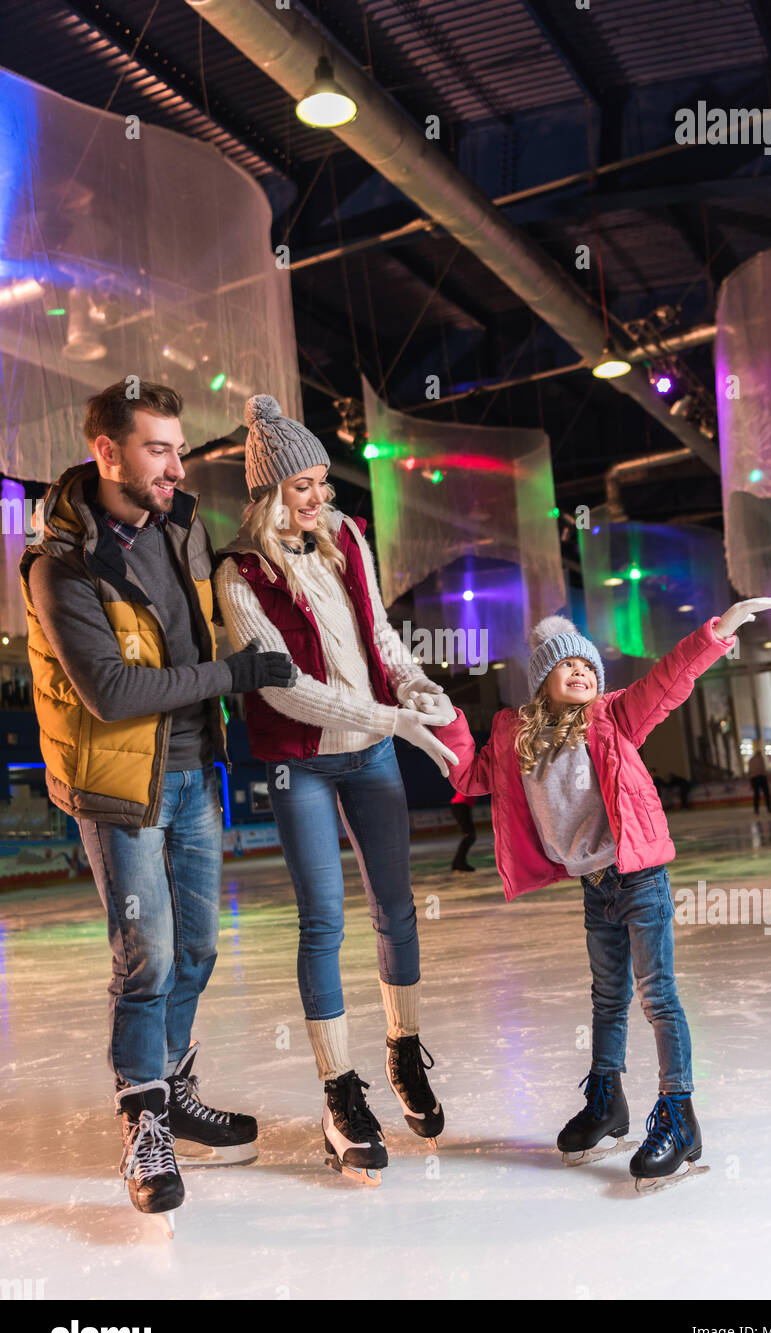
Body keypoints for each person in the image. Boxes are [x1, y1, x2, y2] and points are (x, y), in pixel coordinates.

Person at [20, 380, 296, 1231]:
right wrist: (235, 678)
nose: (178, 466)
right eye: (158, 450)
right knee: (146, 958)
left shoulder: (183, 526)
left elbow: (199, 630)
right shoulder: (58, 565)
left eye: (179, 449)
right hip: (118, 787)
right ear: (105, 450)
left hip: (190, 770)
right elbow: (109, 688)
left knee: (201, 947)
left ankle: (172, 1086)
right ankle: (144, 1122)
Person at [434, 597, 771, 1192]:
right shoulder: (518, 736)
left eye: (589, 667)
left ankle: (679, 1115)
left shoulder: (615, 718)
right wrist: (443, 715)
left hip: (639, 878)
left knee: (658, 997)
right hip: (595, 887)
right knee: (607, 999)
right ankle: (608, 1102)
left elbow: (668, 681)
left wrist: (716, 633)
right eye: (568, 666)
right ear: (543, 678)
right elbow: (467, 775)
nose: (582, 673)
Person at [215, 395, 458, 1186]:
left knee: (395, 904)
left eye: (322, 481)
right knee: (322, 919)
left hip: (373, 753)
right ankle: (337, 1092)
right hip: (304, 762)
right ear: (265, 494)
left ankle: (401, 1049)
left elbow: (379, 635)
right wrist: (387, 715)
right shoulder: (239, 574)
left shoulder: (346, 539)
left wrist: (417, 686)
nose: (318, 497)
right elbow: (284, 691)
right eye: (301, 486)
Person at [450, 790, 478, 872]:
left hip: (461, 806)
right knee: (469, 836)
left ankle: (458, 863)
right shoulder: (472, 778)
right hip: (460, 806)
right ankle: (459, 863)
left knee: (470, 836)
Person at [747, 748, 771, 815]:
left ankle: (756, 810)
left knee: (756, 795)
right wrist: (767, 777)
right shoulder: (761, 759)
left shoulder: (751, 760)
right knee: (766, 794)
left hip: (754, 778)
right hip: (761, 777)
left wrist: (751, 780)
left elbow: (750, 771)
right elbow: (763, 769)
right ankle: (769, 809)